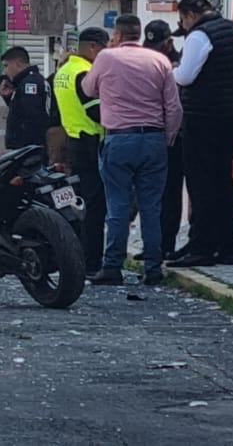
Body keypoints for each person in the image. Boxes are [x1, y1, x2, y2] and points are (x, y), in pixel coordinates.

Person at [83, 15, 181, 286]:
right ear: (138, 35)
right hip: (153, 139)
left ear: (117, 35)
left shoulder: (107, 58)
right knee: (151, 206)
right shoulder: (160, 61)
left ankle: (112, 267)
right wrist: (168, 138)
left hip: (119, 139)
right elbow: (173, 107)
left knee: (117, 207)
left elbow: (88, 89)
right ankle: (153, 267)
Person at [171, 0, 233, 268]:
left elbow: (186, 76)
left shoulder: (199, 36)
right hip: (230, 115)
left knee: (201, 184)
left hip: (202, 117)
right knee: (223, 182)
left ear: (190, 14)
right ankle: (226, 248)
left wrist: (172, 70)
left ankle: (201, 246)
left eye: (183, 20)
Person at [53, 28, 108, 275]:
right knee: (96, 205)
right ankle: (92, 260)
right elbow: (95, 111)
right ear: (94, 47)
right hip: (91, 141)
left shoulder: (63, 71)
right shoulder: (84, 73)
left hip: (73, 140)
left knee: (81, 203)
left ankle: (80, 257)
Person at [145, 20, 188, 258]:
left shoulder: (179, 65)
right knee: (152, 192)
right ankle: (152, 244)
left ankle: (166, 244)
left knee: (170, 191)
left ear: (169, 42)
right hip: (154, 133)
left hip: (174, 136)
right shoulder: (152, 62)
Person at [0, 47, 50, 150]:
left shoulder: (29, 84)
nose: (4, 71)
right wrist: (8, 98)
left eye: (6, 65)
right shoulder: (30, 81)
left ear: (18, 63)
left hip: (28, 147)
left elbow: (31, 116)